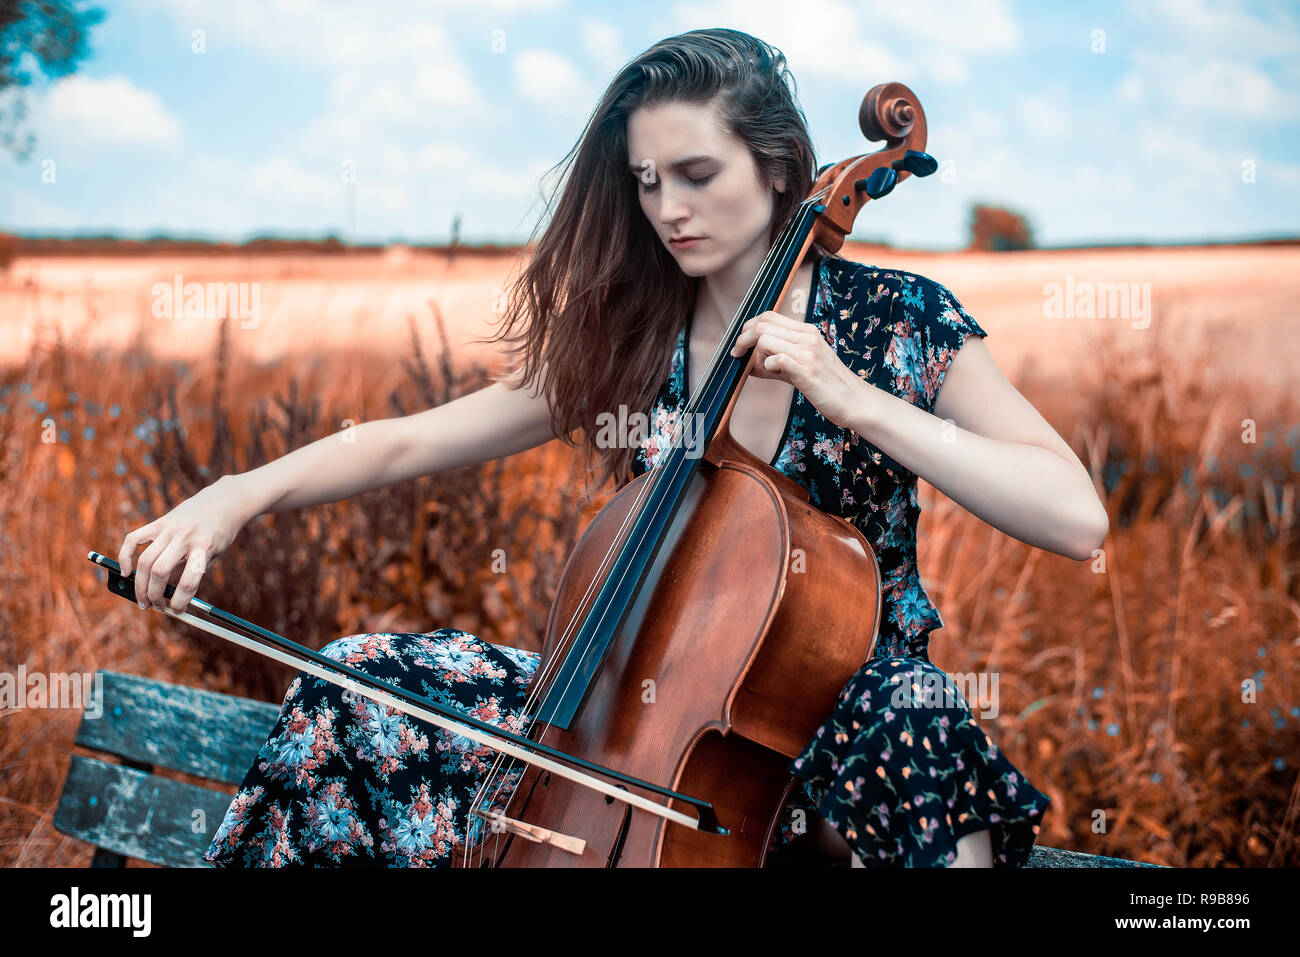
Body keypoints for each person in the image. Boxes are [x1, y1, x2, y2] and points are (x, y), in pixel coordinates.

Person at [118, 28, 1108, 868]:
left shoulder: (895, 322)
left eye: (696, 174)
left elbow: (1072, 515)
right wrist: (235, 496)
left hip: (837, 712)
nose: (668, 208)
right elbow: (410, 439)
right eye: (647, 183)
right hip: (643, 712)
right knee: (359, 680)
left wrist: (851, 399)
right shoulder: (643, 336)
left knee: (920, 713)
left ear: (776, 169)